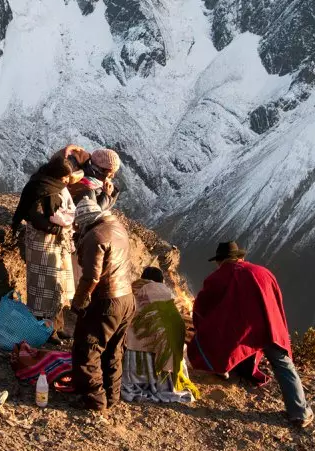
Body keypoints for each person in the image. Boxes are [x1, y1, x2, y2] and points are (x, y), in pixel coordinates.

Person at [187, 241, 314, 427]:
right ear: (240, 257)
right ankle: (299, 412)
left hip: (241, 330)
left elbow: (203, 305)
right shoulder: (263, 272)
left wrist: (205, 322)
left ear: (220, 261)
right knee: (282, 364)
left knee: (225, 342)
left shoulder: (219, 277)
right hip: (270, 325)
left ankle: (224, 369)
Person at [11, 149, 85, 335]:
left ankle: (56, 327)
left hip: (56, 243)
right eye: (65, 177)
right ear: (56, 174)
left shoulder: (55, 185)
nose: (68, 181)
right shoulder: (39, 187)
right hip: (41, 244)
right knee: (43, 288)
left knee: (57, 284)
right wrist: (58, 228)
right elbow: (34, 216)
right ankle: (42, 330)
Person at [70, 201, 134, 412]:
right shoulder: (117, 228)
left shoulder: (95, 237)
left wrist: (78, 302)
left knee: (87, 348)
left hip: (107, 300)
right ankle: (111, 397)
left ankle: (94, 400)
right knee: (114, 351)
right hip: (126, 298)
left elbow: (91, 277)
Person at [121, 267, 198, 404]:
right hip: (164, 346)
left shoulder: (130, 290)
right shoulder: (162, 290)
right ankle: (164, 383)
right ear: (160, 281)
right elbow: (174, 320)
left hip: (135, 345)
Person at [69, 147, 121, 212]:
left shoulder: (88, 173)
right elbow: (92, 216)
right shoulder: (87, 188)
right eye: (111, 172)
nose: (113, 176)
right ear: (100, 169)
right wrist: (106, 195)